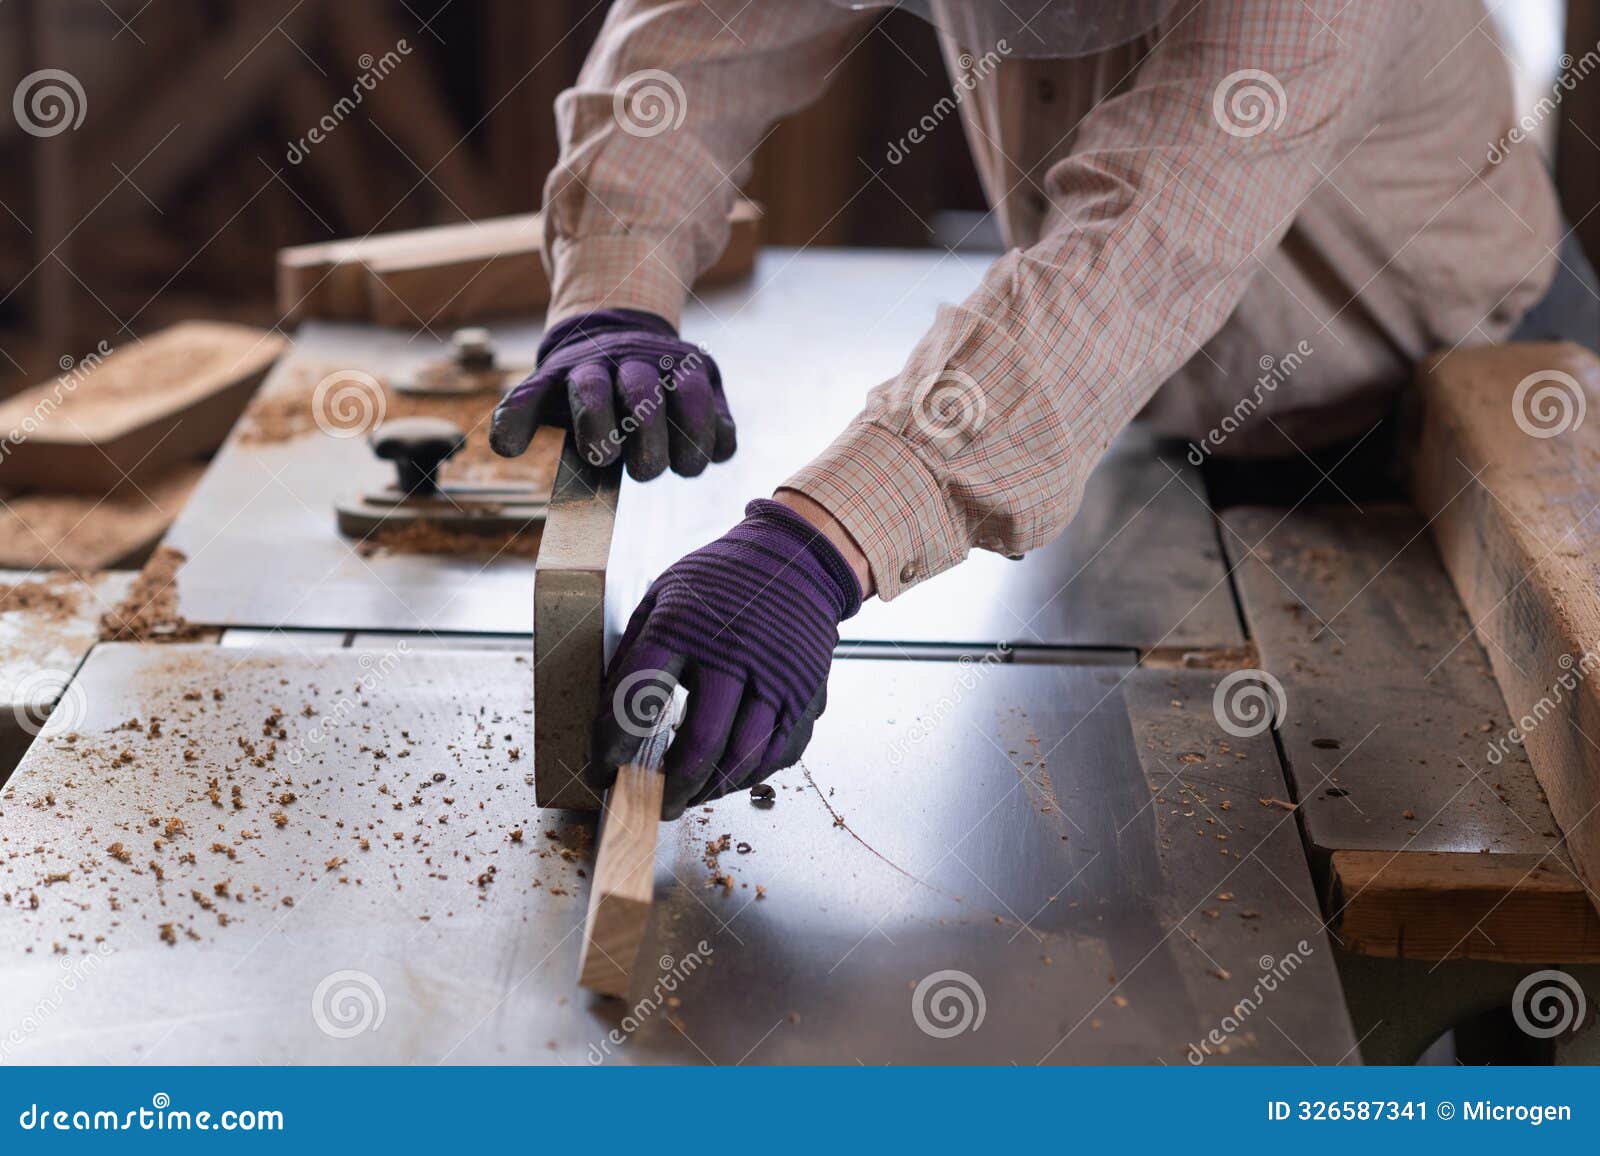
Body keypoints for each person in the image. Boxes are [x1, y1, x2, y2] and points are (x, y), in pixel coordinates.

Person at [491, 0, 1597, 818]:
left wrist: (817, 544)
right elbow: (692, 46)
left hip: (1442, 419)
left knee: (1433, 814)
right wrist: (615, 293)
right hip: (1163, 407)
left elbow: (1133, 257)